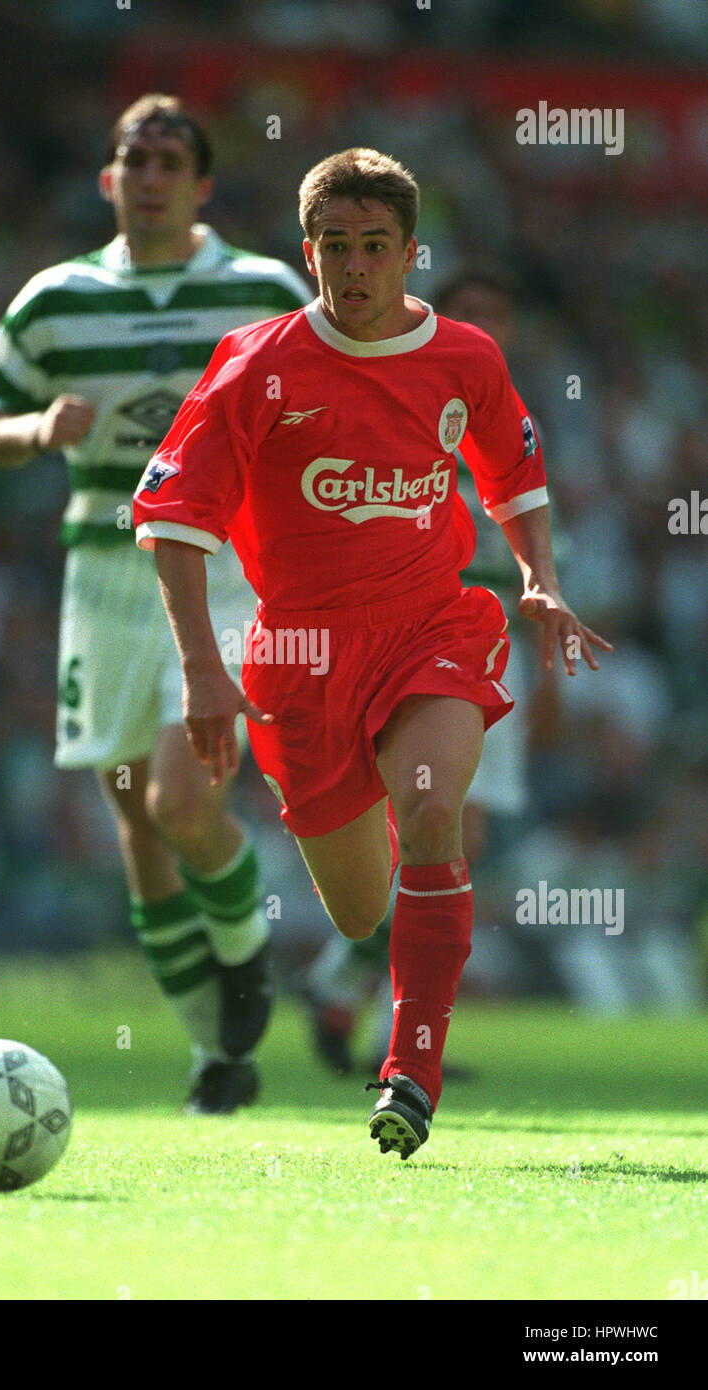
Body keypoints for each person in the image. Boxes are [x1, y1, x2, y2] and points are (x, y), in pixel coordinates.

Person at [133, 147, 611, 1159]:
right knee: (359, 908)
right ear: (308, 253)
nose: (353, 268)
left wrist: (539, 578)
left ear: (407, 254)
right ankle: (395, 941)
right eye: (334, 248)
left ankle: (410, 1073)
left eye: (374, 248)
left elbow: (512, 478)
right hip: (298, 661)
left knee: (434, 809)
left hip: (429, 628)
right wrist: (200, 667)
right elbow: (173, 520)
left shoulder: (466, 358)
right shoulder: (255, 363)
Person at [0, 94, 311, 1115]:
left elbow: (322, 404)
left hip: (220, 565)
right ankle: (217, 1051)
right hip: (103, 570)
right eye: (132, 160)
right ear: (108, 180)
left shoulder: (260, 289)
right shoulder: (56, 299)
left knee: (180, 797)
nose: (149, 177)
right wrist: (35, 430)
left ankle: (243, 957)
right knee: (134, 819)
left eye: (168, 161)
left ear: (200, 186)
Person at [304, 265, 558, 1078]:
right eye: (471, 312)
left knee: (451, 835)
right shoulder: (404, 403)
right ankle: (369, 1013)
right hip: (414, 639)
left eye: (500, 316)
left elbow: (531, 531)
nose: (488, 328)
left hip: (486, 638)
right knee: (439, 827)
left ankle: (356, 1002)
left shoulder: (501, 413)